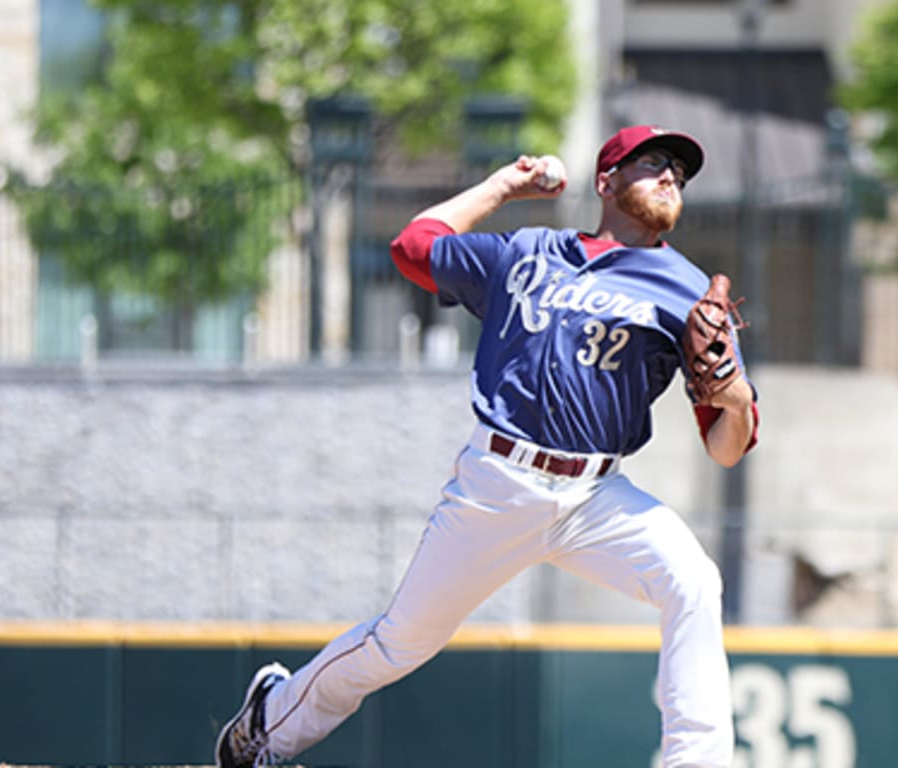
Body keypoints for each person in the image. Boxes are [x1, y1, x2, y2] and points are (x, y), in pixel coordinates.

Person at [215, 125, 760, 768]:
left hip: (596, 496)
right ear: (606, 181)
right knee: (398, 645)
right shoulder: (528, 252)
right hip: (499, 482)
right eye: (654, 162)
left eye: (680, 170)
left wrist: (734, 400)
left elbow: (726, 449)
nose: (672, 175)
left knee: (693, 582)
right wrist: (505, 186)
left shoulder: (688, 288)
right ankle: (272, 721)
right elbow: (413, 245)